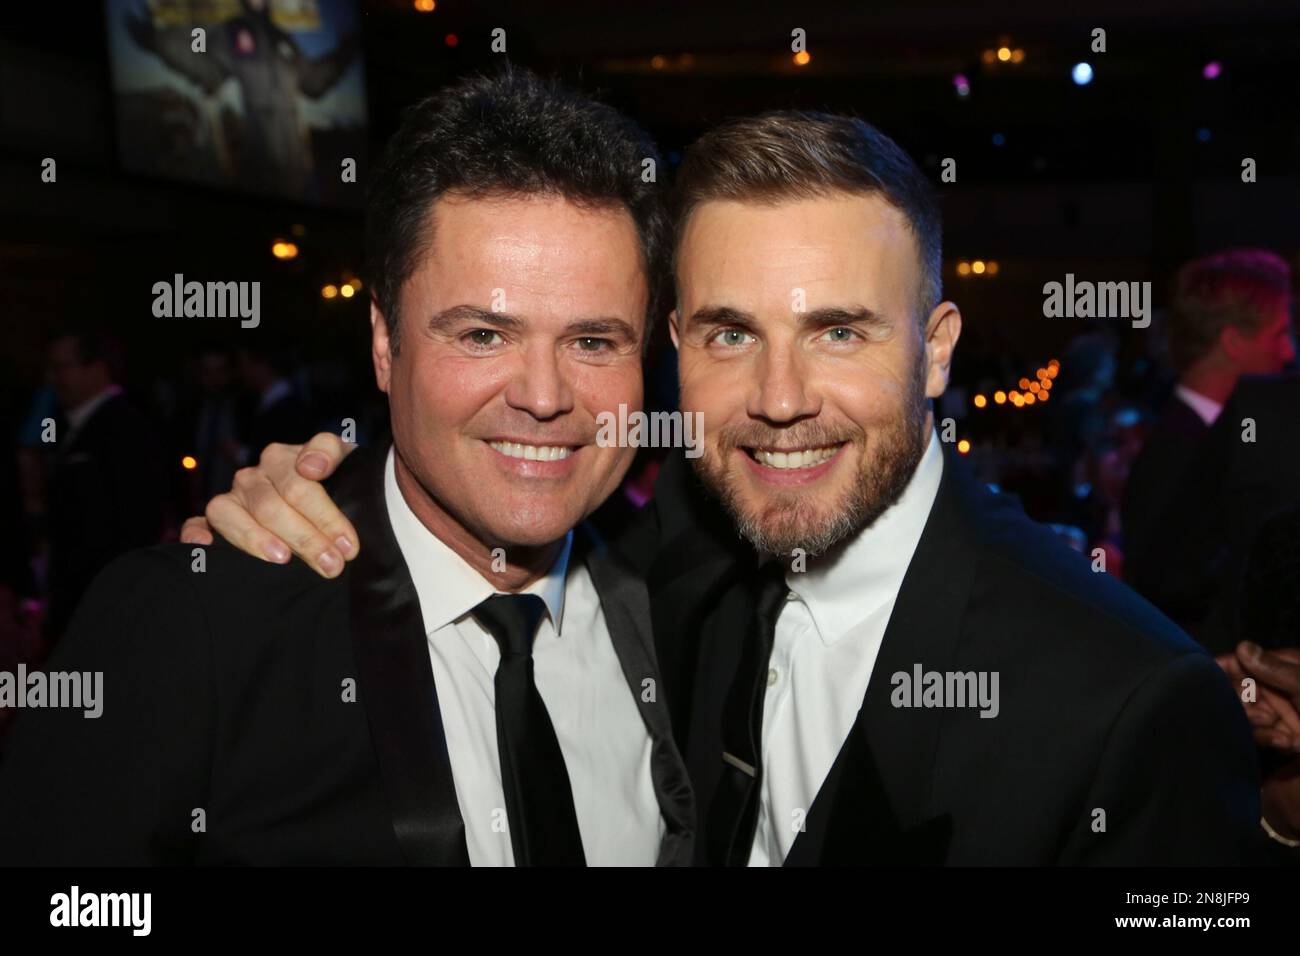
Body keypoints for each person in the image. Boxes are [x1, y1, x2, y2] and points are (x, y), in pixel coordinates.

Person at [189, 111, 1265, 864]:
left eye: (838, 331)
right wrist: (321, 492)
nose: (779, 400)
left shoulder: (1129, 701)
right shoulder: (666, 555)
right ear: (674, 347)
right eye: (729, 334)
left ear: (935, 350)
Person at [0, 70, 693, 866]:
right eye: (482, 335)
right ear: (384, 344)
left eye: (594, 342)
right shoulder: (188, 624)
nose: (544, 397)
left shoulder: (680, 603)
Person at [1123, 250, 1294, 639]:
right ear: (1233, 342)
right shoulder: (1181, 452)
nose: (1288, 353)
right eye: (1280, 334)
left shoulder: (1207, 435)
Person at [42, 327, 167, 644]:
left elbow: (137, 522)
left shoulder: (125, 425)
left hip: (103, 603)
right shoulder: (67, 423)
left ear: (97, 369)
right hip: (81, 598)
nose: (52, 378)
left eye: (61, 367)